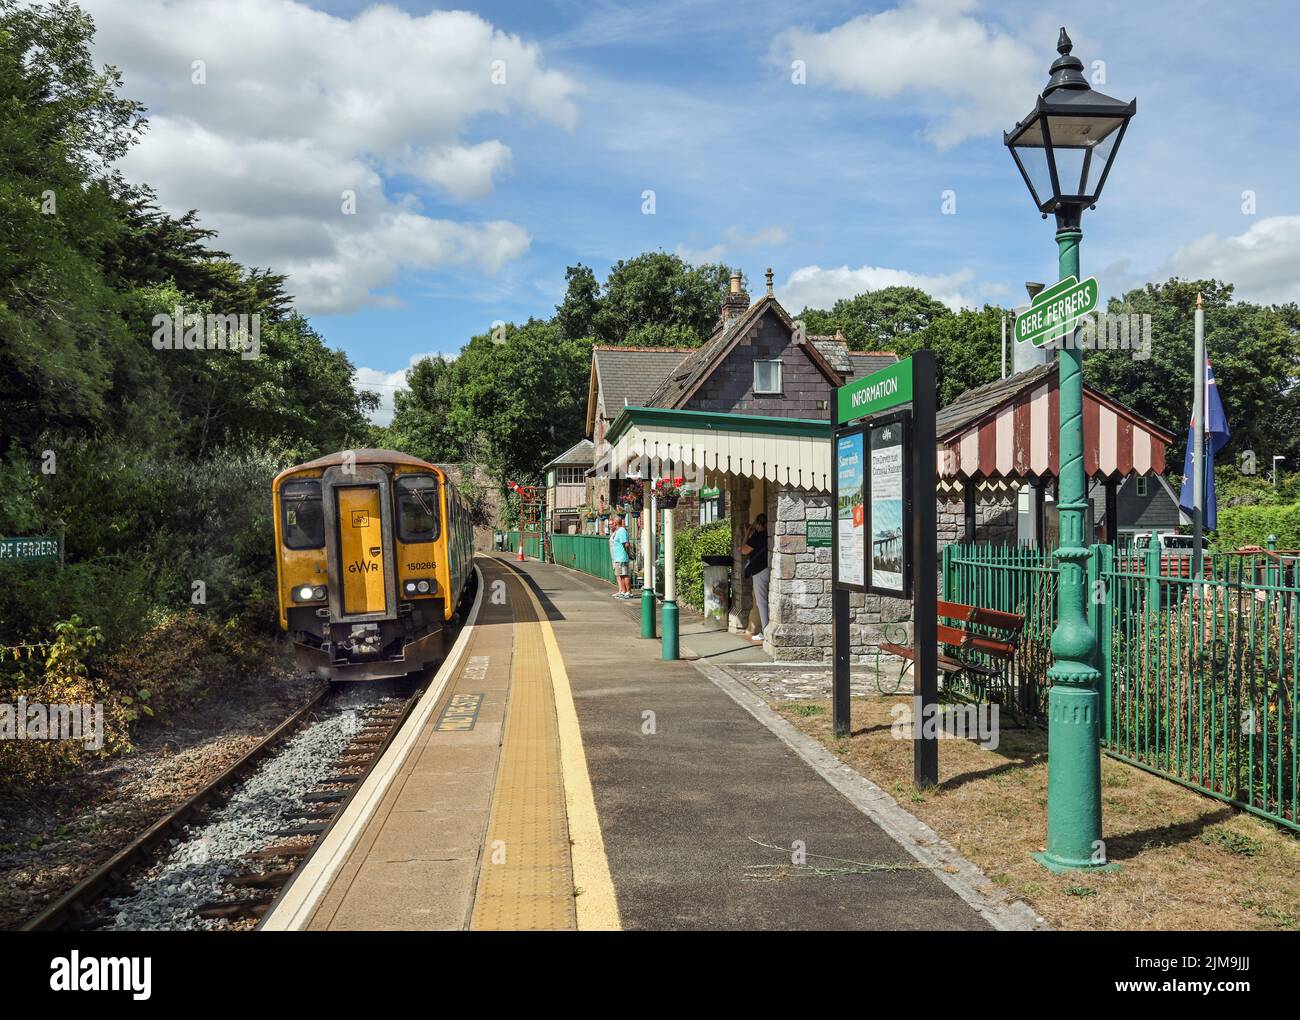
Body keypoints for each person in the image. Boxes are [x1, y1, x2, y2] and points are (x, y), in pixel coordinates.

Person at [740, 513, 770, 641]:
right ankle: (767, 629)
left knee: (761, 601)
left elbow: (743, 550)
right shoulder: (768, 535)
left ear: (758, 524)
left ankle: (765, 631)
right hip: (768, 569)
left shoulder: (757, 537)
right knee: (768, 600)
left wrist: (746, 533)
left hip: (759, 571)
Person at [609, 513, 633, 599]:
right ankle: (623, 591)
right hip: (618, 558)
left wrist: (629, 553)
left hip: (622, 557)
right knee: (621, 575)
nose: (612, 525)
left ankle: (628, 592)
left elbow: (626, 544)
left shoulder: (622, 531)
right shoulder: (618, 531)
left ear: (615, 523)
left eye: (613, 523)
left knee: (625, 574)